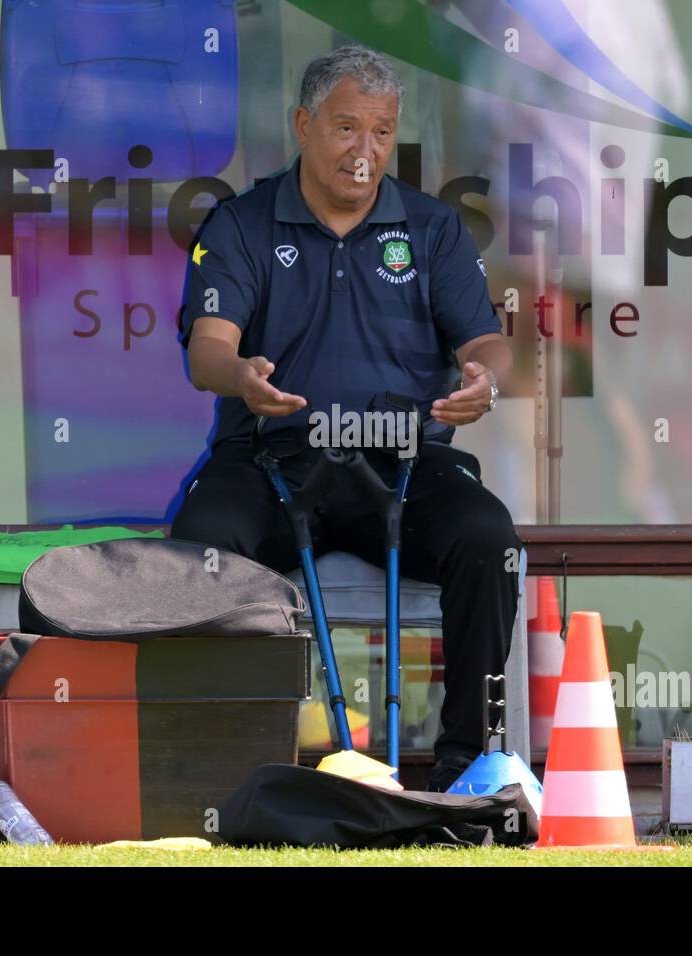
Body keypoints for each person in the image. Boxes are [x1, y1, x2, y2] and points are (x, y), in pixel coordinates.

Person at [171, 44, 520, 792]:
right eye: (346, 128)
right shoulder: (240, 224)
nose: (366, 152)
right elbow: (208, 352)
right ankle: (225, 773)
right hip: (274, 460)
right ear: (304, 124)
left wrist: (485, 377)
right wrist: (242, 377)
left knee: (487, 538)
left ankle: (469, 770)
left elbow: (487, 342)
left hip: (401, 461)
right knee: (202, 544)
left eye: (383, 133)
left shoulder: (432, 230)